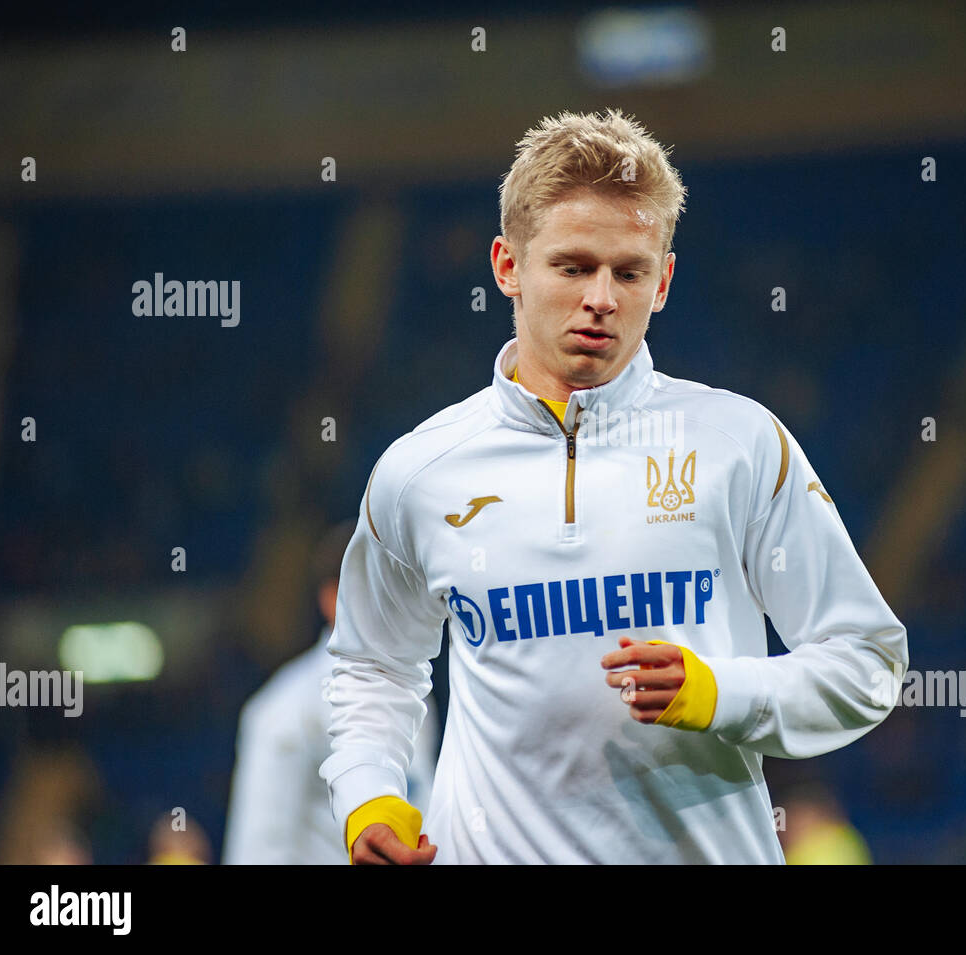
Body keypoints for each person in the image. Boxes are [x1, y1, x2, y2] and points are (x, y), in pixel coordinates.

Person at [322, 107, 907, 864]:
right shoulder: (421, 470)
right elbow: (373, 663)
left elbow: (867, 661)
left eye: (628, 271)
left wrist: (720, 694)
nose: (601, 297)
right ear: (507, 267)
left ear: (662, 281)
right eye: (571, 266)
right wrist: (368, 794)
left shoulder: (739, 443)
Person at [223, 523, 438, 864]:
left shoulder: (413, 685)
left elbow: (423, 803)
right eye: (374, 586)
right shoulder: (283, 707)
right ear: (330, 597)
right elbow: (259, 848)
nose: (391, 598)